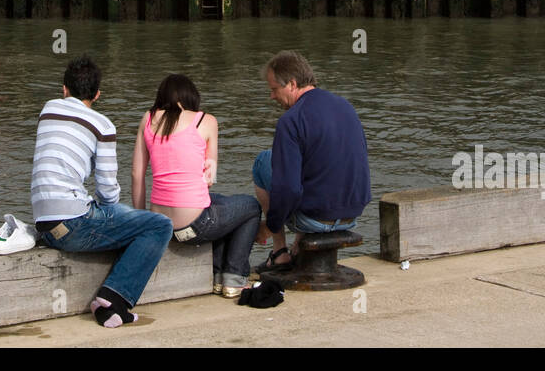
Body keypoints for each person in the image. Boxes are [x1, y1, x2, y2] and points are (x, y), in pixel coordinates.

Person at [31, 56, 173, 327]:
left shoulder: (47, 110)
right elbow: (107, 188)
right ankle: (114, 297)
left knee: (122, 216)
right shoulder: (103, 125)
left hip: (45, 226)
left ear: (64, 89)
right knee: (158, 226)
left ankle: (111, 306)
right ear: (97, 94)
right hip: (74, 225)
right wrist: (113, 210)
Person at [131, 74, 261, 299]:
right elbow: (208, 178)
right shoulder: (205, 121)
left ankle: (218, 275)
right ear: (192, 97)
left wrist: (143, 220)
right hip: (194, 226)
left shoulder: (148, 118)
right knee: (250, 207)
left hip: (163, 225)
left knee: (221, 204)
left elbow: (136, 174)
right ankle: (235, 277)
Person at [252, 51, 371, 271]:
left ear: (292, 84)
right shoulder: (345, 106)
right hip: (352, 214)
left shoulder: (290, 121)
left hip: (316, 220)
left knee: (263, 161)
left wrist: (271, 225)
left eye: (273, 89)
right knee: (313, 164)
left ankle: (279, 252)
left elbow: (288, 189)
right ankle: (298, 245)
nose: (272, 96)